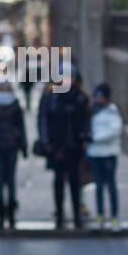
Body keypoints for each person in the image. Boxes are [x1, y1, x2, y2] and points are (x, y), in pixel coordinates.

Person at [37, 65, 90, 230]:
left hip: (74, 144)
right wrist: (45, 141)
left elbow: (86, 119)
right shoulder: (50, 96)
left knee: (75, 181)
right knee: (59, 181)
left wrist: (85, 136)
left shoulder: (80, 97)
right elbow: (43, 119)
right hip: (56, 144)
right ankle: (60, 215)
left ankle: (76, 216)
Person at [0, 80, 27, 230]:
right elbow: (21, 128)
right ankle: (10, 212)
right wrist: (23, 146)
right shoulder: (13, 105)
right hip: (10, 145)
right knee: (10, 180)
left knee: (0, 180)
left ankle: (2, 211)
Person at [86, 82, 123, 231]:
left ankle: (114, 217)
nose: (98, 100)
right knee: (99, 186)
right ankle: (100, 216)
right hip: (95, 153)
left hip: (108, 152)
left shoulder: (112, 111)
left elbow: (114, 130)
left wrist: (94, 138)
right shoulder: (91, 111)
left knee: (111, 185)